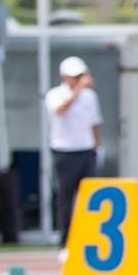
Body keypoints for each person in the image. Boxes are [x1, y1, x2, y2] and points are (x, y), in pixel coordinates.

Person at [45, 56, 102, 243]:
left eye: (81, 76)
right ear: (65, 77)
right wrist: (77, 90)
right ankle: (65, 240)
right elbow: (60, 110)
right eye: (75, 76)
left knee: (90, 197)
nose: (79, 79)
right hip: (65, 151)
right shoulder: (55, 94)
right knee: (65, 197)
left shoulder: (90, 97)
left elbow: (94, 123)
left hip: (86, 151)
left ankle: (89, 237)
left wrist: (96, 147)